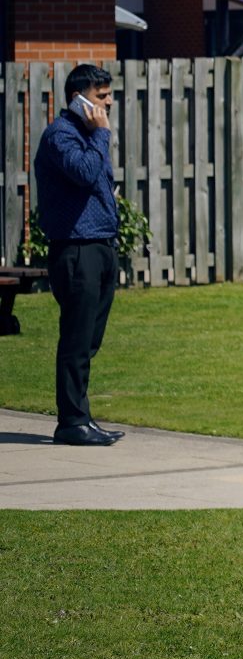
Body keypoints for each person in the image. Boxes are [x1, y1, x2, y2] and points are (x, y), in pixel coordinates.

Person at [35, 64, 122, 447]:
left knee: (89, 339)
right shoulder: (60, 137)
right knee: (76, 338)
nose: (108, 104)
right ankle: (72, 421)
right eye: (102, 97)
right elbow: (85, 174)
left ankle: (80, 415)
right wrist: (101, 135)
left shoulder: (87, 136)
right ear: (79, 99)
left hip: (100, 245)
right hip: (76, 249)